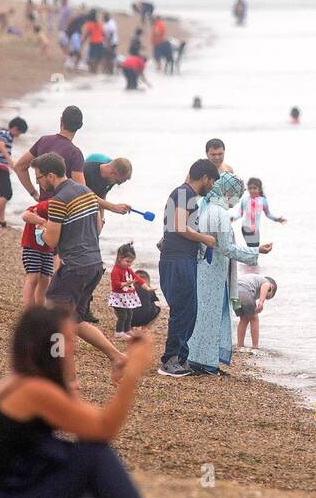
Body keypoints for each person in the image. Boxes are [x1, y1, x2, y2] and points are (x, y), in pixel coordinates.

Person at [0, 306, 221, 498]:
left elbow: (85, 420)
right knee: (94, 456)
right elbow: (103, 429)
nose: (73, 347)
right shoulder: (32, 391)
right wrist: (132, 376)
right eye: (68, 341)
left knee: (88, 462)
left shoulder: (26, 381)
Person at [30, 153, 126, 381]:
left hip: (74, 266)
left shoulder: (59, 201)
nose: (38, 183)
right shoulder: (86, 192)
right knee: (76, 321)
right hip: (94, 264)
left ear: (51, 175)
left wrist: (40, 229)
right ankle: (117, 356)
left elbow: (51, 240)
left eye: (39, 178)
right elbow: (98, 227)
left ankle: (63, 378)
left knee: (56, 321)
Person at [188, 173, 270, 375]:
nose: (236, 201)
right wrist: (256, 251)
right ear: (228, 193)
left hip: (204, 269)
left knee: (204, 315)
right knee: (212, 315)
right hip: (214, 271)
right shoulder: (219, 212)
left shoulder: (206, 207)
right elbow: (227, 248)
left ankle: (199, 359)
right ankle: (206, 363)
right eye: (236, 195)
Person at [157, 159, 220, 377]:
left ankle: (180, 358)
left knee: (188, 310)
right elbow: (178, 226)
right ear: (205, 178)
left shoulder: (184, 194)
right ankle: (170, 360)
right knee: (183, 310)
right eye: (211, 181)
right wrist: (205, 238)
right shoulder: (184, 193)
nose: (211, 186)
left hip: (181, 258)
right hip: (177, 259)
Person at [14, 105, 85, 200]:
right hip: (63, 211)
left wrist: (34, 193)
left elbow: (19, 166)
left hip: (43, 208)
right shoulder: (75, 153)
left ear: (61, 121)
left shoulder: (43, 141)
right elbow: (82, 193)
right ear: (80, 126)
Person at [0, 116, 27, 228]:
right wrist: (9, 160)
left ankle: (1, 219)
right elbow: (1, 145)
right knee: (7, 194)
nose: (18, 135)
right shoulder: (7, 134)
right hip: (0, 167)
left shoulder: (1, 132)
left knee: (3, 193)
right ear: (15, 128)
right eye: (19, 132)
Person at [19, 198, 54, 308]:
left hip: (47, 250)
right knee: (33, 277)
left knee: (45, 280)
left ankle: (39, 308)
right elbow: (25, 215)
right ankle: (29, 310)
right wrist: (42, 221)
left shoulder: (62, 214)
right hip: (31, 247)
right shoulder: (45, 206)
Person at [233, 177, 285, 249]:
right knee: (253, 249)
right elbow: (240, 213)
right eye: (250, 188)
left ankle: (250, 259)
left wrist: (276, 219)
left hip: (255, 230)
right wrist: (233, 218)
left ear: (259, 189)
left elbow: (268, 214)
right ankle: (250, 258)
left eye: (254, 188)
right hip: (246, 228)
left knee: (254, 250)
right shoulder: (245, 200)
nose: (252, 190)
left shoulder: (263, 200)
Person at [83, 156, 133, 228]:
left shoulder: (110, 180)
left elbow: (102, 196)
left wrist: (101, 220)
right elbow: (85, 195)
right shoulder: (87, 170)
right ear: (113, 172)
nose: (117, 184)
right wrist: (114, 207)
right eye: (118, 181)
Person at [109, 243, 146, 340]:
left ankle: (127, 330)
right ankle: (118, 332)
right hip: (118, 297)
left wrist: (146, 286)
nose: (129, 264)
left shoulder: (128, 269)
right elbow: (116, 284)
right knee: (123, 315)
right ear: (120, 258)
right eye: (127, 261)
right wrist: (126, 283)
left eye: (131, 262)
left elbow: (137, 277)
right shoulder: (115, 270)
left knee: (129, 313)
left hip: (126, 297)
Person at [234, 273, 277, 350]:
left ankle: (240, 345)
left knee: (243, 319)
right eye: (268, 295)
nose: (265, 297)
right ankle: (255, 346)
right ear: (272, 287)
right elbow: (266, 286)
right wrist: (261, 302)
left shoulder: (256, 281)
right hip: (245, 289)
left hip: (234, 292)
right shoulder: (267, 283)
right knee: (254, 318)